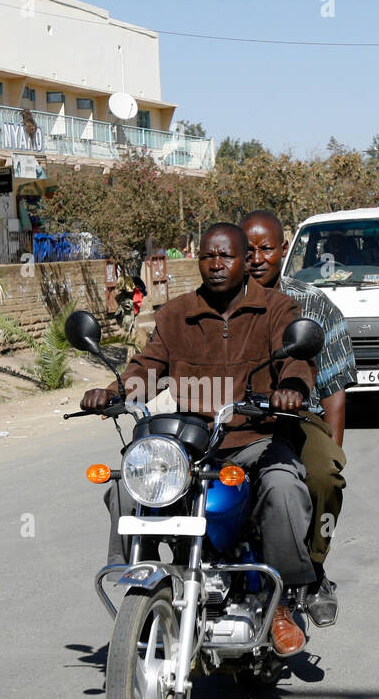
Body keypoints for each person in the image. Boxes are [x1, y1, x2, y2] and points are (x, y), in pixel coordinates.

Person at [80, 223, 318, 657]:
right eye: (207, 256)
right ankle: (143, 580)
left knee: (283, 487)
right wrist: (114, 392)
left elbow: (298, 360)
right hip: (193, 442)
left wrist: (292, 390)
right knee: (127, 484)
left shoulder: (278, 308)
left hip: (255, 436)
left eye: (226, 256)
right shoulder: (176, 314)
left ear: (246, 261)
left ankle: (280, 601)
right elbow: (147, 368)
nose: (215, 264)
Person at [242, 210, 355, 627]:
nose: (256, 258)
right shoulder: (221, 303)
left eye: (266, 249)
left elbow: (334, 390)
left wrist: (332, 451)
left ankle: (313, 569)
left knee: (324, 477)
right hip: (233, 418)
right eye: (248, 250)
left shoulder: (314, 306)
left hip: (298, 419)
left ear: (283, 250)